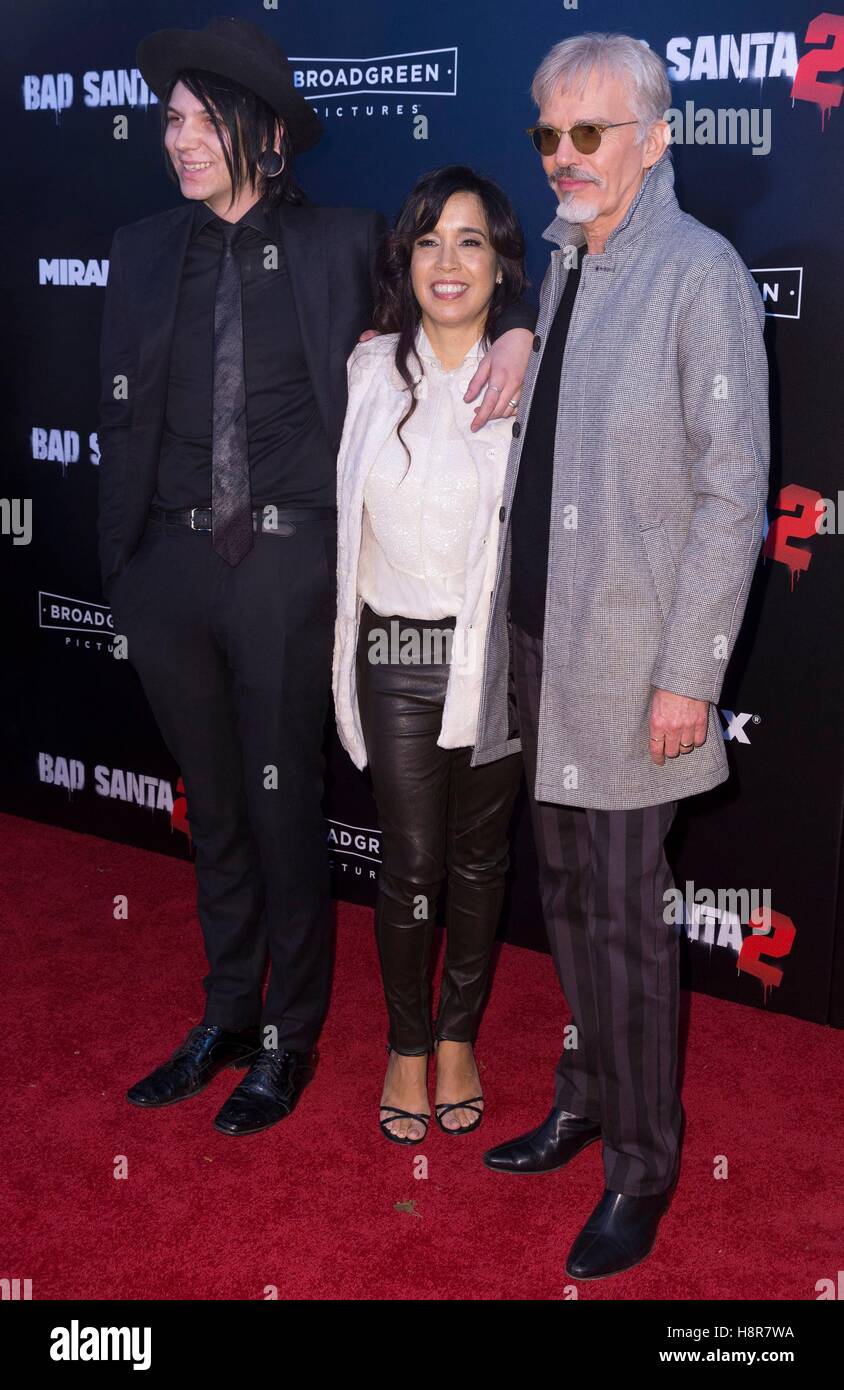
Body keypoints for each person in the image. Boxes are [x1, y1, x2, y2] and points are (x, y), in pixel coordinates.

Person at [99, 16, 535, 1137]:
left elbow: (466, 271)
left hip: (289, 566)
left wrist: (524, 328)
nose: (178, 142)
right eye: (170, 122)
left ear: (267, 132)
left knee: (286, 810)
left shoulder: (345, 243)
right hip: (169, 566)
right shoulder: (144, 250)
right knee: (219, 812)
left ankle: (289, 1039)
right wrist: (133, 565)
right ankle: (228, 1013)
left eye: (201, 121)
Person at [471, 33, 769, 1276]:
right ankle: (587, 1093)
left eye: (588, 134)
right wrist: (528, 332)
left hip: (633, 662)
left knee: (629, 924)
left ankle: (643, 1165)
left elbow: (734, 492)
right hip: (544, 644)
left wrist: (689, 677)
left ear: (655, 137)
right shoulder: (565, 263)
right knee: (579, 903)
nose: (562, 159)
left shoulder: (697, 273)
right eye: (548, 136)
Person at [333, 167, 526, 1143]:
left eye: (470, 242)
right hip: (393, 648)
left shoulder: (528, 374)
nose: (448, 262)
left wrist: (530, 334)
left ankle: (459, 1036)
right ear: (403, 260)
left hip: (491, 659)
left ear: (501, 265)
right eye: (428, 242)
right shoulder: (368, 369)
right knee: (409, 862)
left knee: (480, 860)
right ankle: (407, 1044)